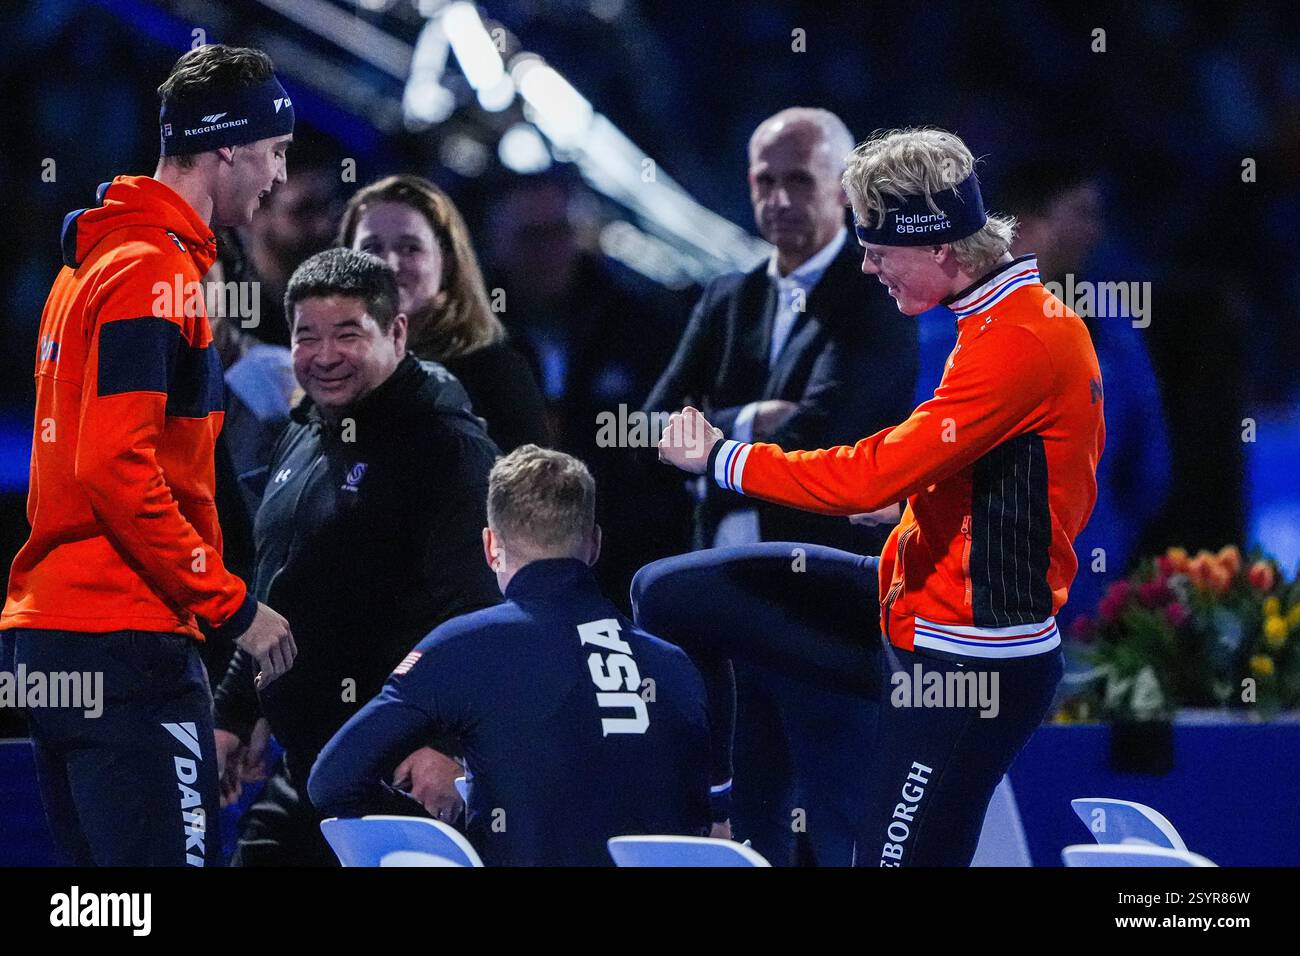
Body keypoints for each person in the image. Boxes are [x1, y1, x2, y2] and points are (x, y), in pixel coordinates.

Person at [639, 127, 1105, 867]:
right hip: (917, 614)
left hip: (967, 666)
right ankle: (721, 800)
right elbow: (1005, 467)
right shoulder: (1000, 318)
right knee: (668, 591)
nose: (866, 265)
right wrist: (920, 499)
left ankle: (757, 791)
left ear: (939, 248)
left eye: (879, 249)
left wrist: (723, 458)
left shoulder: (1018, 340)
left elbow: (869, 474)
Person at [0, 44, 298, 866]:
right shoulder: (151, 272)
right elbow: (112, 466)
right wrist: (231, 605)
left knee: (108, 912)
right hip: (126, 639)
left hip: (55, 639)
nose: (276, 177)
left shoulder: (92, 263)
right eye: (274, 153)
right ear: (228, 146)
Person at [643, 108, 917, 865]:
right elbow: (654, 425)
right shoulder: (728, 295)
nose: (779, 198)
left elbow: (826, 438)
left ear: (845, 193)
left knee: (832, 816)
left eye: (800, 180)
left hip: (824, 607)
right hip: (729, 604)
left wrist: (715, 439)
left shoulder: (876, 298)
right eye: (765, 180)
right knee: (752, 811)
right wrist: (756, 419)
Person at [213, 247, 501, 866]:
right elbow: (276, 587)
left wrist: (452, 749)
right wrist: (234, 714)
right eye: (306, 337)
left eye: (348, 334)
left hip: (402, 776)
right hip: (305, 769)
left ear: (396, 332)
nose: (323, 356)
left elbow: (480, 612)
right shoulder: (305, 427)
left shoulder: (447, 448)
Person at [308, 445, 713, 866]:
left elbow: (332, 781)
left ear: (490, 546)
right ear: (594, 543)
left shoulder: (462, 645)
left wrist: (452, 836)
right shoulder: (675, 666)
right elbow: (701, 821)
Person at [1001, 160, 1171, 629]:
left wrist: (1107, 538)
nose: (1094, 231)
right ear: (1028, 222)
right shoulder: (950, 322)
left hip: (1090, 590)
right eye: (1080, 213)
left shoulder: (1112, 324)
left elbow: (1150, 463)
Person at [339, 174, 549, 453]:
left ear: (447, 262)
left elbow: (530, 492)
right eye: (371, 248)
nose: (389, 264)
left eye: (410, 248)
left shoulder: (497, 376)